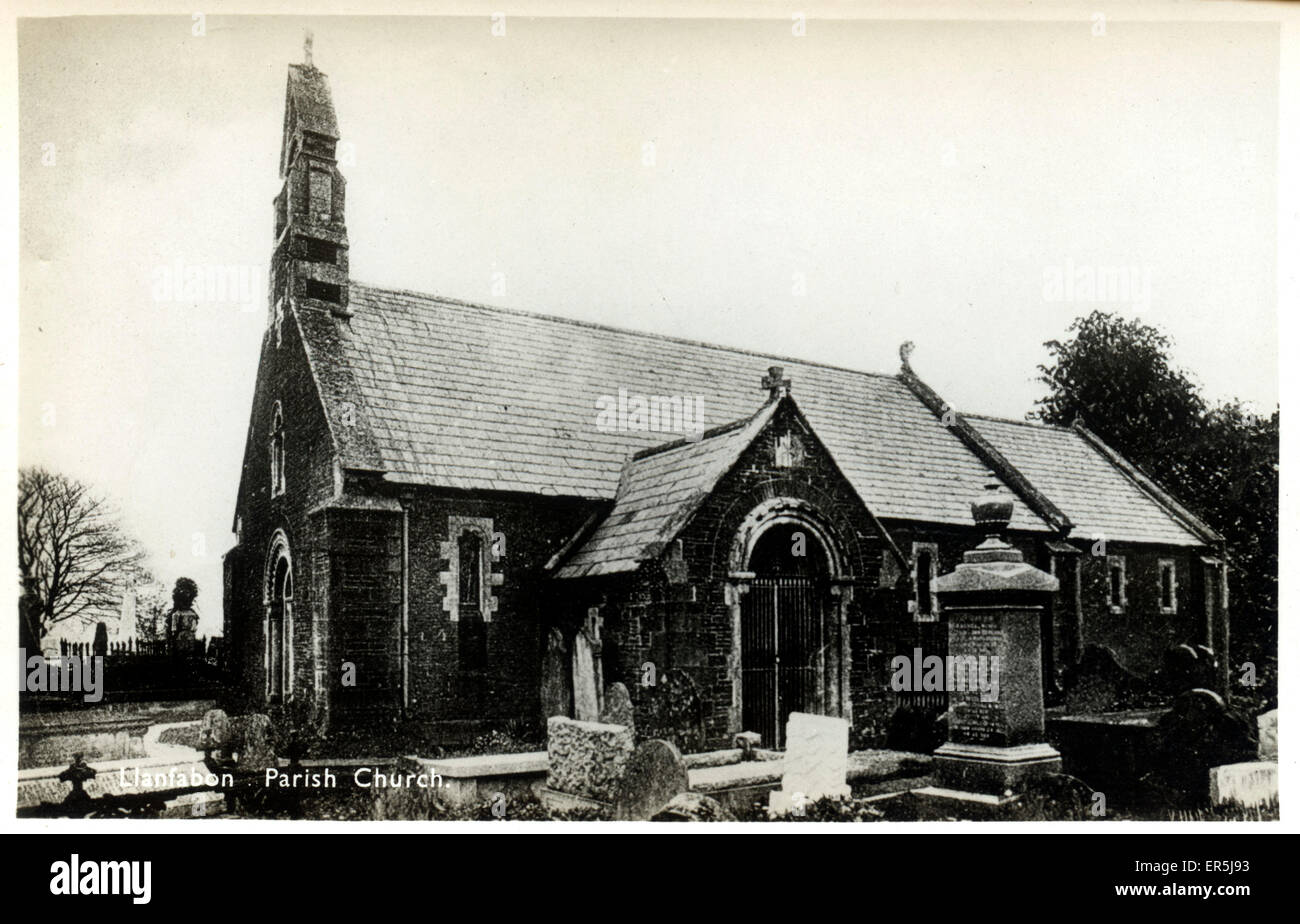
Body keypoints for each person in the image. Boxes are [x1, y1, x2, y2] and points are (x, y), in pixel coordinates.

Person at [166, 578, 200, 658]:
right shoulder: (177, 613)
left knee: (189, 650)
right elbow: (174, 624)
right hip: (180, 634)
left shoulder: (192, 613)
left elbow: (194, 625)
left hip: (188, 634)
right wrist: (174, 631)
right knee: (180, 650)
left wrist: (192, 630)